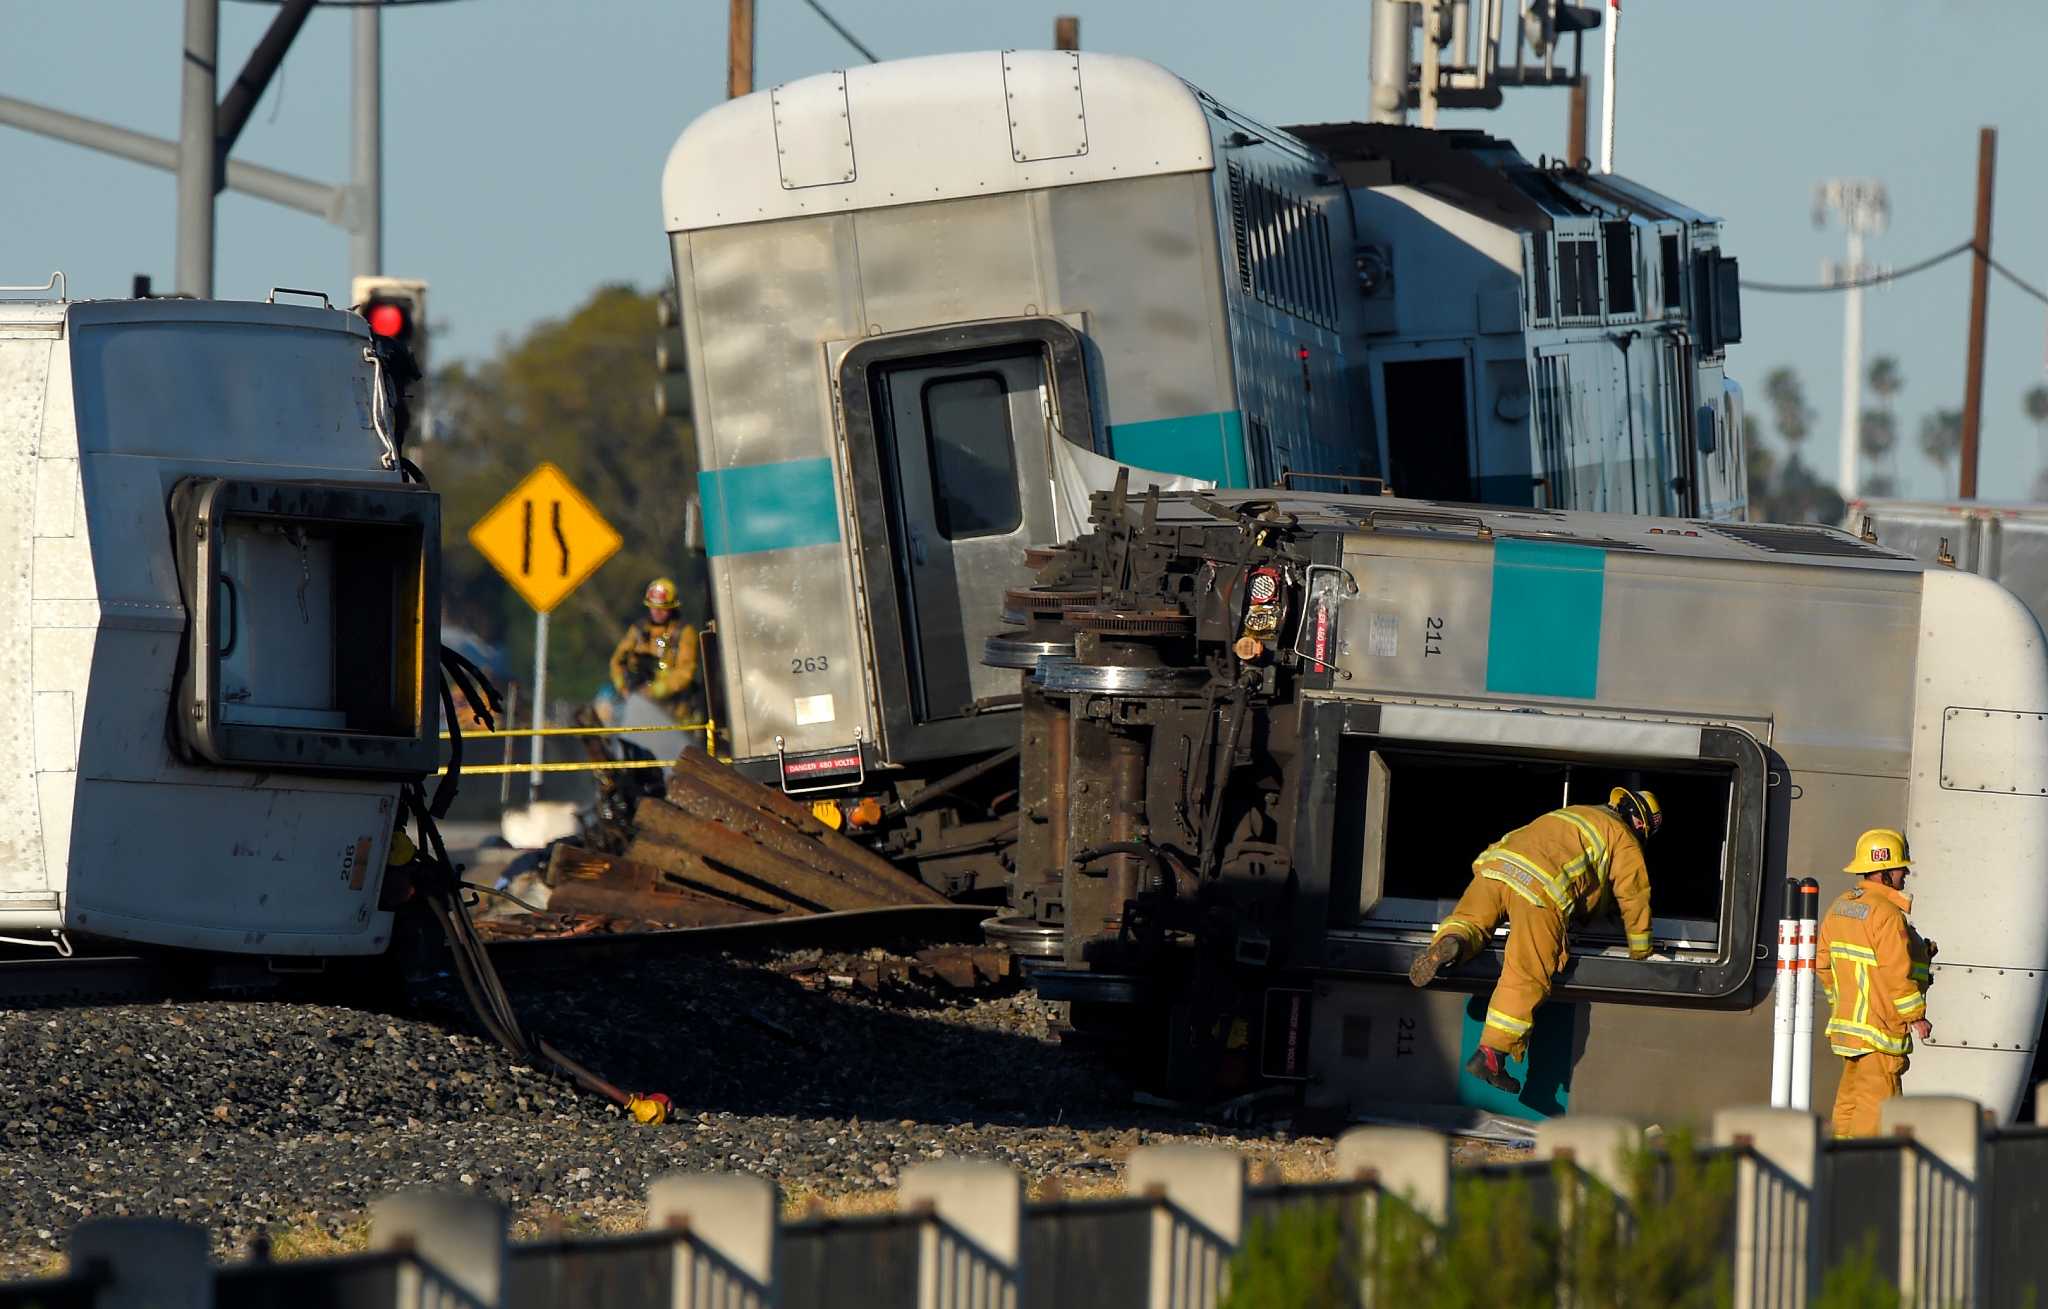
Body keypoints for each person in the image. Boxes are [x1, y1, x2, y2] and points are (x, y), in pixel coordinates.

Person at [1408, 787, 1663, 1094]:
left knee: (1471, 922)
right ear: (1640, 824)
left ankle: (1453, 943)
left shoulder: (1573, 813)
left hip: (1497, 867)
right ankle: (1491, 1055)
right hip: (1541, 889)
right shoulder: (1622, 837)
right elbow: (1633, 893)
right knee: (1526, 973)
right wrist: (1641, 949)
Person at [1817, 828, 1934, 1138]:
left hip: (1850, 1031)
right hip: (1879, 1032)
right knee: (1879, 1110)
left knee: (1850, 1104)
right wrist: (1916, 1016)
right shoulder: (1886, 914)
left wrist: (1841, 1003)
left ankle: (1839, 1166)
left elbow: (1824, 964)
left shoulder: (1841, 906)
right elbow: (1898, 971)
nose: (1905, 873)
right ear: (1883, 873)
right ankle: (1863, 1173)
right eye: (1899, 868)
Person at [608, 576, 699, 722]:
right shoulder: (638, 630)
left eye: (662, 609)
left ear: (673, 607)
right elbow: (617, 662)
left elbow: (685, 671)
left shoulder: (684, 632)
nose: (656, 612)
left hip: (675, 712)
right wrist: (623, 688)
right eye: (653, 607)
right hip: (640, 710)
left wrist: (655, 690)